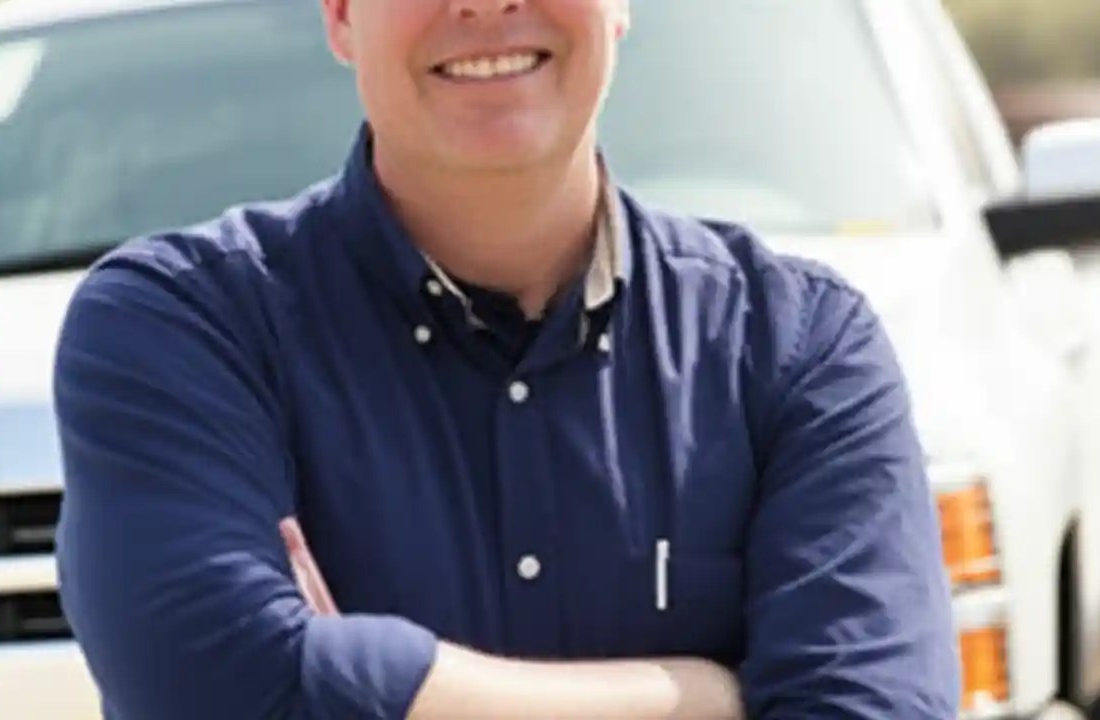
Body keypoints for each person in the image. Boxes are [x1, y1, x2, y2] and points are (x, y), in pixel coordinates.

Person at [52, 0, 961, 718]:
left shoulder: (799, 347)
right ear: (338, 13)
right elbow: (219, 689)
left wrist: (359, 680)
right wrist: (709, 695)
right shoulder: (181, 325)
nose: (486, 4)